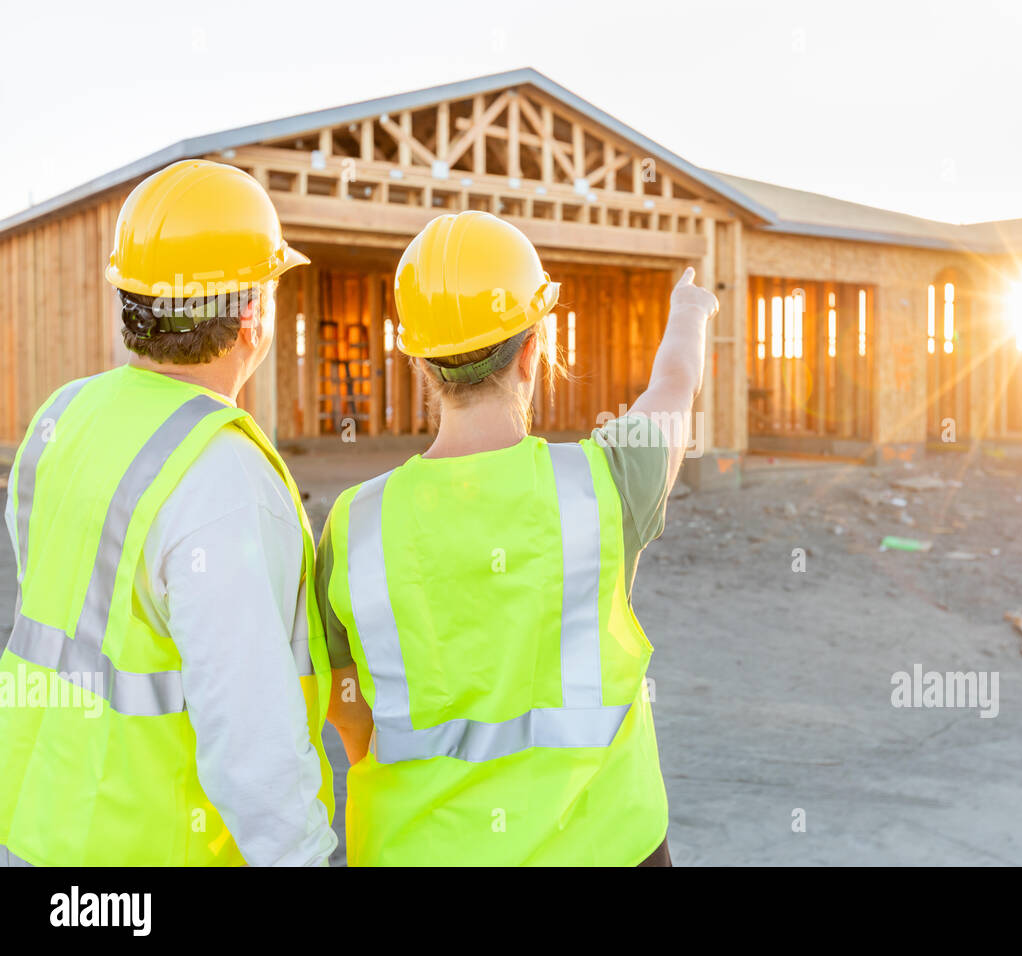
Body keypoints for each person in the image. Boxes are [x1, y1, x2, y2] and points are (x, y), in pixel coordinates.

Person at [317, 210, 718, 865]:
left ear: (420, 361)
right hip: (608, 847)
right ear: (534, 349)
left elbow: (345, 700)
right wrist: (690, 311)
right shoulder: (606, 481)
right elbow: (673, 388)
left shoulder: (356, 522)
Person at [0, 159, 336, 866]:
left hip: (32, 824)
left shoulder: (64, 414)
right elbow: (251, 740)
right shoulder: (223, 476)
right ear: (252, 315)